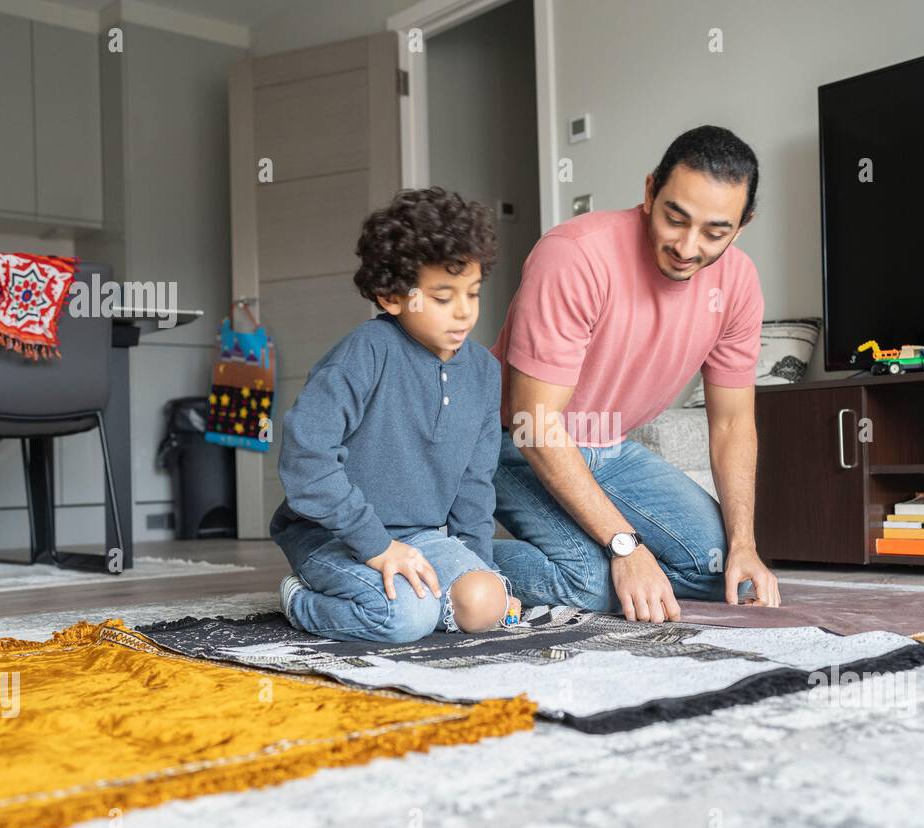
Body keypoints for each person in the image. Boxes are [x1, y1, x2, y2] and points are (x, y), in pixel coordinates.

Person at [491, 126, 783, 623]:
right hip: (508, 441)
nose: (688, 247)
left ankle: (605, 556)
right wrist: (625, 547)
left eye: (714, 232)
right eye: (676, 218)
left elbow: (732, 424)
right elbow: (534, 424)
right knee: (586, 581)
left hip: (610, 447)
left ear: (742, 224)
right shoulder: (575, 256)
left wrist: (744, 544)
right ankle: (436, 553)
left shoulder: (738, 283)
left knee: (721, 572)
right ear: (650, 191)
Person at [271, 187, 520, 643]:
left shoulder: (484, 371)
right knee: (407, 618)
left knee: (486, 601)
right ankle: (299, 597)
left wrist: (477, 571)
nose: (464, 312)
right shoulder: (364, 353)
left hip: (421, 537)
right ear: (391, 296)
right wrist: (377, 547)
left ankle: (446, 593)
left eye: (473, 293)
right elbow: (306, 459)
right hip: (332, 536)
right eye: (443, 297)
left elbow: (474, 483)